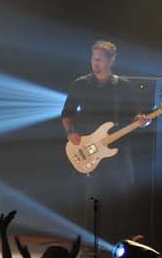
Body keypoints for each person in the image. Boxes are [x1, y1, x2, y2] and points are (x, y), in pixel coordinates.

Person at [60, 39, 151, 243]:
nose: (96, 63)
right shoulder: (80, 84)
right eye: (94, 59)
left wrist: (141, 121)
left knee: (124, 194)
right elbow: (67, 114)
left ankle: (124, 241)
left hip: (119, 147)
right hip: (90, 148)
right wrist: (71, 133)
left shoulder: (124, 86)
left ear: (112, 60)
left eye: (100, 59)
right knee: (94, 197)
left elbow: (135, 113)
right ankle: (92, 243)